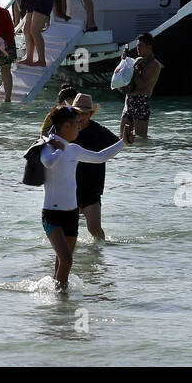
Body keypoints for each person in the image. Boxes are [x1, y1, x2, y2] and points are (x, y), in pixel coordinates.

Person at [40, 106, 131, 289]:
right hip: (52, 215)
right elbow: (48, 163)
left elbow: (100, 157)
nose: (79, 128)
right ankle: (59, 298)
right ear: (65, 126)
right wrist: (59, 147)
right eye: (76, 124)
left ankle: (59, 303)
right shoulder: (46, 147)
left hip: (71, 215)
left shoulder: (73, 149)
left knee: (62, 262)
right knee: (67, 259)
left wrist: (123, 142)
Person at [72, 93, 120, 240]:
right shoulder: (66, 127)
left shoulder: (99, 131)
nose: (80, 117)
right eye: (77, 113)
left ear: (91, 114)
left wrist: (101, 157)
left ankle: (99, 256)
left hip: (92, 185)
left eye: (84, 114)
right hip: (68, 185)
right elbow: (48, 141)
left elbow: (117, 145)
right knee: (69, 229)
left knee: (94, 228)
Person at [120, 32, 162, 142]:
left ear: (149, 47)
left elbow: (142, 85)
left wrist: (134, 69)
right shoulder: (137, 61)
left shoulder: (154, 65)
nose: (138, 49)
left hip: (141, 101)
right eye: (137, 46)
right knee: (123, 136)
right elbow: (123, 79)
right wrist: (124, 63)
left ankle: (144, 156)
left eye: (140, 46)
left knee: (141, 138)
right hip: (128, 100)